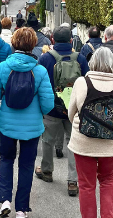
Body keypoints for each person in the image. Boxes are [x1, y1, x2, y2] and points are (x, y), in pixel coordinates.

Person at [0, 27, 54, 218]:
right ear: (33, 45)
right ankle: (21, 209)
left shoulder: (3, 68)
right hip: (32, 128)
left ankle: (4, 200)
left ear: (13, 43)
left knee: (6, 161)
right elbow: (47, 105)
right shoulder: (40, 71)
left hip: (6, 125)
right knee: (27, 166)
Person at [67, 46, 113, 218]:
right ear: (112, 64)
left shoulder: (81, 82)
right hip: (111, 144)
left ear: (92, 62)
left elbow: (71, 112)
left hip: (83, 142)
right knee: (108, 180)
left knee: (86, 185)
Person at [36, 25, 89, 197]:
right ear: (71, 40)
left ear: (52, 40)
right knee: (72, 143)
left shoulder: (45, 59)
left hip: (51, 107)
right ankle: (72, 180)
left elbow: (37, 82)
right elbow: (87, 83)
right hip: (73, 108)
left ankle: (47, 171)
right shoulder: (80, 58)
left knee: (48, 140)